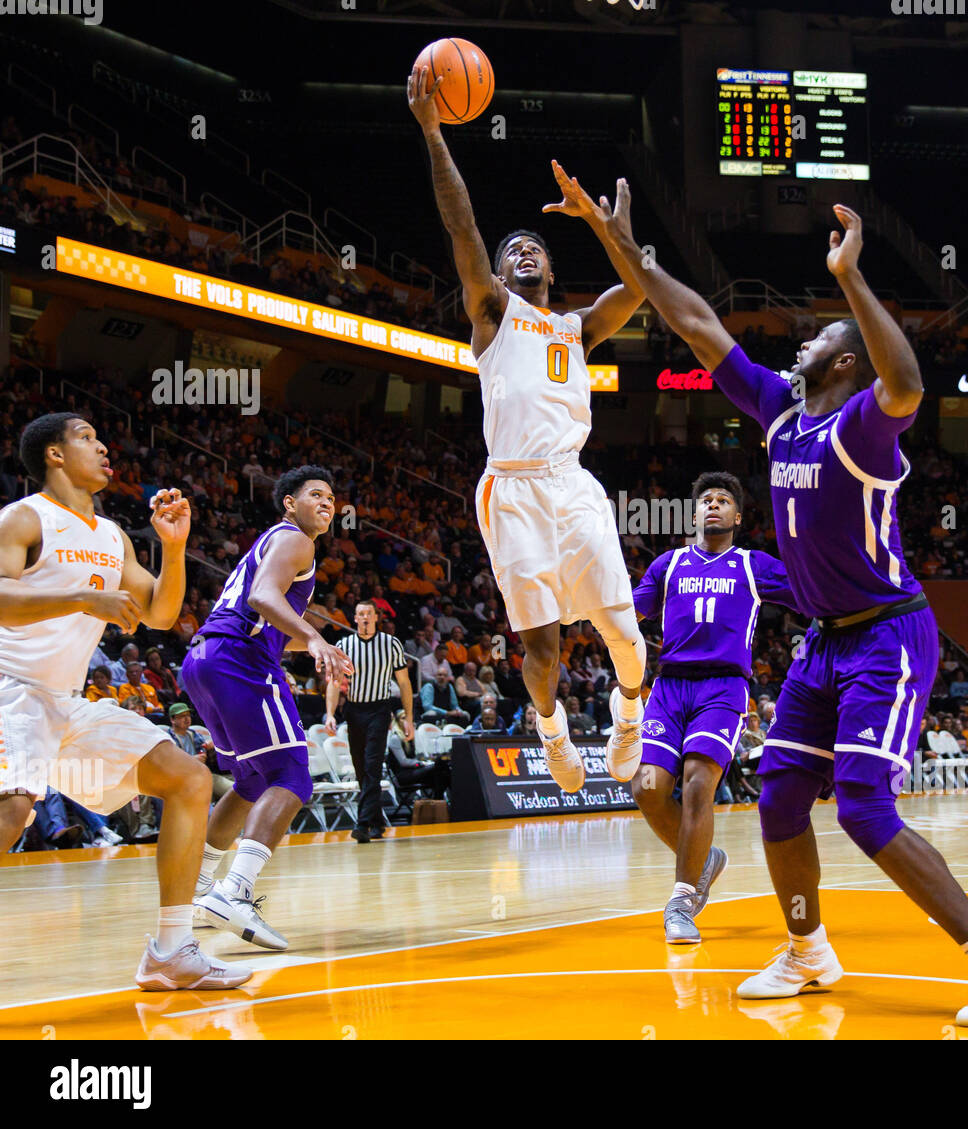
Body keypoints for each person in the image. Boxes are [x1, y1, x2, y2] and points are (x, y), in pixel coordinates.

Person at [578, 181, 968, 1024]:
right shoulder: (779, 414)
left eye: (819, 336)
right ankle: (808, 950)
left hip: (889, 637)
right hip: (824, 646)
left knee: (865, 805)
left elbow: (905, 377)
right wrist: (629, 251)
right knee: (780, 797)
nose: (800, 341)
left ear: (842, 361)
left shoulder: (866, 421)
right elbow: (696, 324)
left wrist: (852, 281)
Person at [408, 70, 648, 795]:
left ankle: (629, 710)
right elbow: (461, 226)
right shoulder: (492, 314)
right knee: (541, 648)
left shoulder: (577, 327)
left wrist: (610, 229)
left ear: (552, 265)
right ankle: (552, 731)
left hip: (572, 486)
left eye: (534, 245)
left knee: (626, 641)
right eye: (512, 248)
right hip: (512, 490)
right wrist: (432, 132)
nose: (521, 251)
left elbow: (637, 287)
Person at [0, 411, 249, 990]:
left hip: (63, 702)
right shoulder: (24, 516)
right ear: (55, 455)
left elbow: (161, 613)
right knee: (14, 810)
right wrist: (85, 599)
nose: (103, 446)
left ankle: (171, 950)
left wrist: (174, 547)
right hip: (9, 688)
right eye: (86, 437)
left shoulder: (111, 537)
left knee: (187, 779)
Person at [182, 466, 353, 951]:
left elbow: (266, 620)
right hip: (239, 662)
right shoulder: (297, 540)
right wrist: (315, 635)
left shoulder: (276, 543)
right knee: (292, 777)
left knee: (250, 781)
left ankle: (198, 889)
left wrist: (320, 647)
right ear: (289, 504)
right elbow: (262, 598)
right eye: (315, 494)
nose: (327, 502)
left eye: (332, 496)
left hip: (204, 658)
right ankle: (233, 893)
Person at [631, 471, 796, 943]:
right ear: (695, 512)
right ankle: (706, 861)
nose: (714, 506)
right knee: (647, 788)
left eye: (724, 500)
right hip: (669, 687)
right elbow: (631, 611)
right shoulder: (669, 564)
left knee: (699, 785)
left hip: (722, 688)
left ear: (737, 516)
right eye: (707, 500)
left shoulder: (753, 564)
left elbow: (807, 591)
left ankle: (681, 900)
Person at [326, 599, 415, 843]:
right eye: (360, 614)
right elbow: (334, 682)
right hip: (354, 710)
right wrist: (331, 713)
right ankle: (376, 822)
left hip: (379, 709)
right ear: (355, 618)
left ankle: (362, 823)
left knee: (372, 764)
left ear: (376, 617)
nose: (365, 617)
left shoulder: (392, 644)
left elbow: (405, 684)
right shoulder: (344, 645)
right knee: (361, 769)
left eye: (369, 613)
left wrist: (409, 718)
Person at [167, 701, 233, 802]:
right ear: (172, 719)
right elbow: (170, 765)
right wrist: (191, 760)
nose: (186, 719)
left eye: (188, 715)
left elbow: (206, 749)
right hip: (184, 781)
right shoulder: (169, 739)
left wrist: (212, 745)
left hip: (203, 775)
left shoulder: (193, 733)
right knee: (231, 791)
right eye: (181, 716)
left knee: (235, 787)